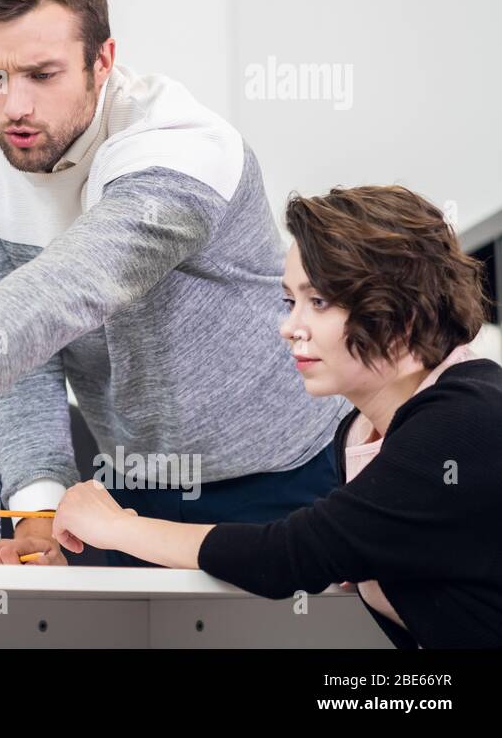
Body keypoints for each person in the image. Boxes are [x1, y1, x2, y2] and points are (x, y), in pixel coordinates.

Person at [0, 0, 347, 565]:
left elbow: (76, 284)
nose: (12, 107)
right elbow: (16, 341)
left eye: (42, 75)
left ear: (103, 60)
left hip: (282, 467)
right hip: (130, 486)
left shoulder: (181, 146)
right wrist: (37, 513)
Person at [51, 185, 502, 648]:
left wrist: (116, 527)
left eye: (319, 302)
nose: (289, 328)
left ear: (402, 312)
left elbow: (290, 556)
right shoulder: (357, 433)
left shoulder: (466, 419)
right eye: (290, 302)